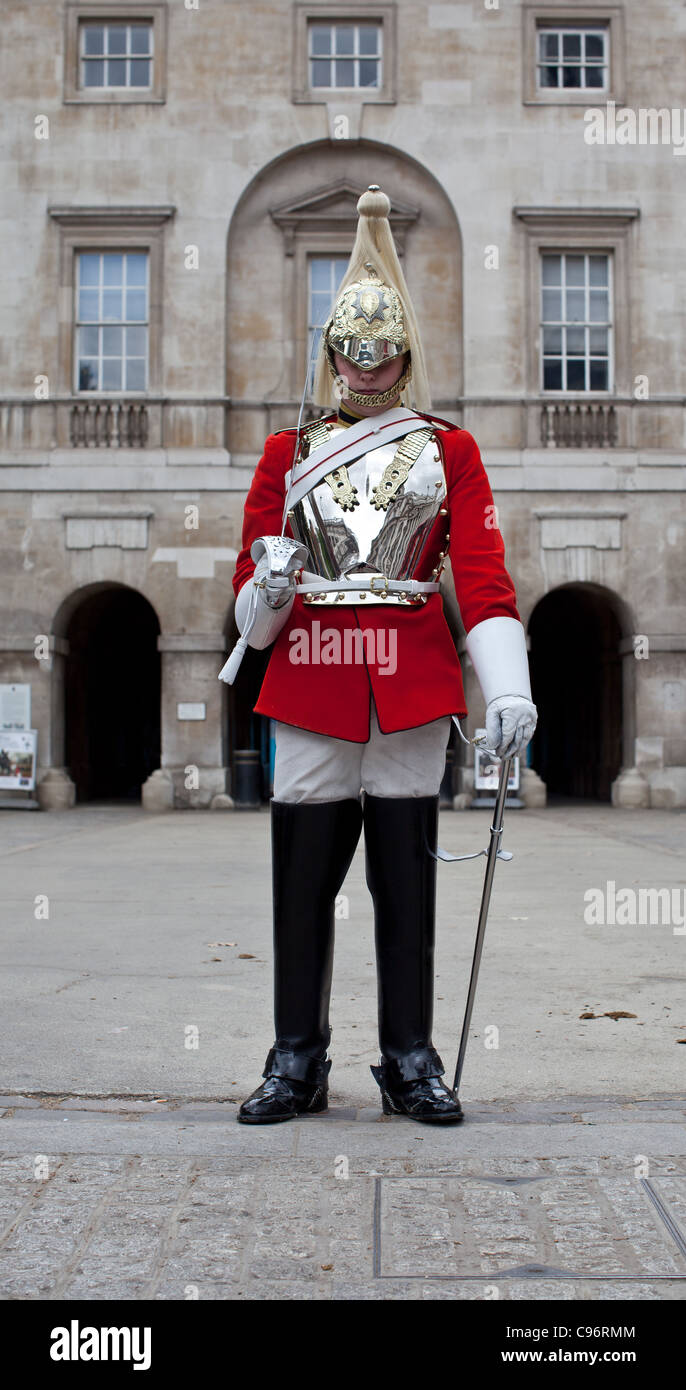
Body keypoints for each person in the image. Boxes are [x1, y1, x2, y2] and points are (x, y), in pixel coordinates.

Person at [222, 186, 537, 1125]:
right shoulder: (286, 452)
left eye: (383, 351)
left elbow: (481, 578)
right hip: (313, 673)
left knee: (406, 887)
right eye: (352, 353)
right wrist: (272, 587)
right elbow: (248, 601)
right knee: (300, 889)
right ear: (332, 355)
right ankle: (296, 1057)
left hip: (408, 683)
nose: (367, 368)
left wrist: (507, 689)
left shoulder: (452, 449)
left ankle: (409, 1058)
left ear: (405, 353)